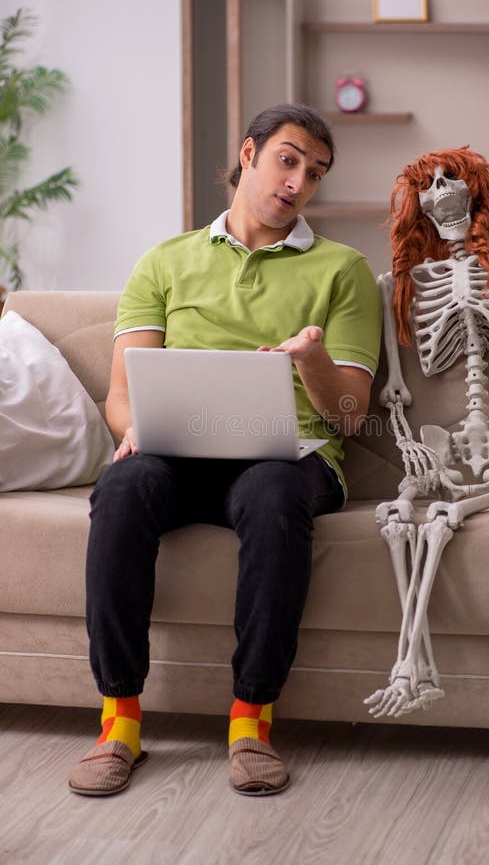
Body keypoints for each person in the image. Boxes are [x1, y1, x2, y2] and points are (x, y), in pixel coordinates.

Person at [68, 103, 382, 797]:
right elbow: (122, 391)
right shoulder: (166, 260)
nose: (298, 180)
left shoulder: (343, 270)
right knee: (119, 490)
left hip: (290, 457)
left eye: (315, 172)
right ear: (248, 155)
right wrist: (133, 429)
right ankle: (118, 721)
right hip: (177, 454)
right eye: (288, 159)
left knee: (271, 494)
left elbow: (351, 416)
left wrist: (311, 360)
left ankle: (251, 720)